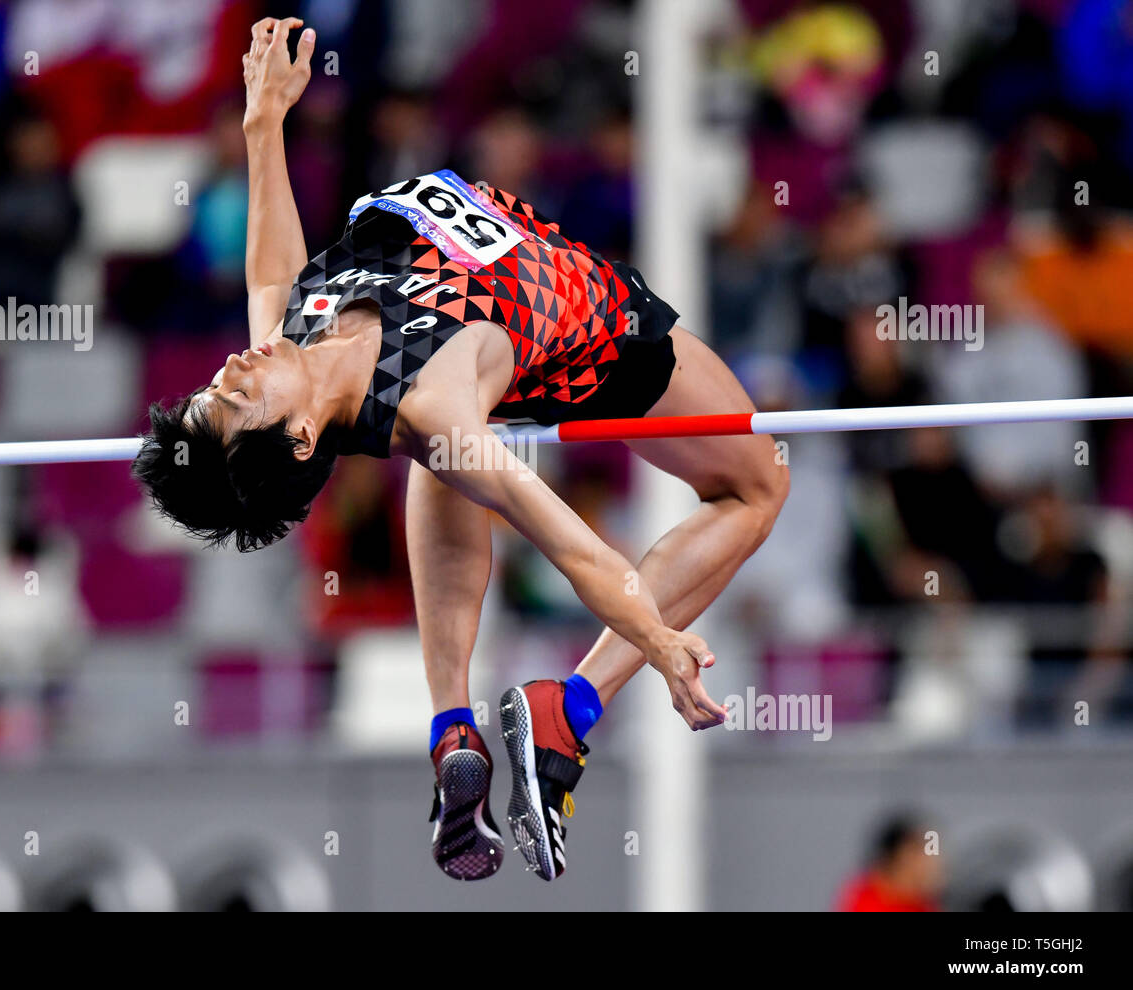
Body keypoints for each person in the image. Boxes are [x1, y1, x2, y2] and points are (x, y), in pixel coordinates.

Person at [132, 18, 789, 882]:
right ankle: (569, 708)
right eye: (236, 395)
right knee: (758, 484)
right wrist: (658, 641)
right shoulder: (439, 409)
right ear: (297, 439)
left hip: (513, 303)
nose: (234, 366)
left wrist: (264, 126)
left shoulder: (289, 343)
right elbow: (572, 546)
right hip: (605, 334)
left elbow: (267, 272)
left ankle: (453, 730)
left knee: (446, 462)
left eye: (219, 383)